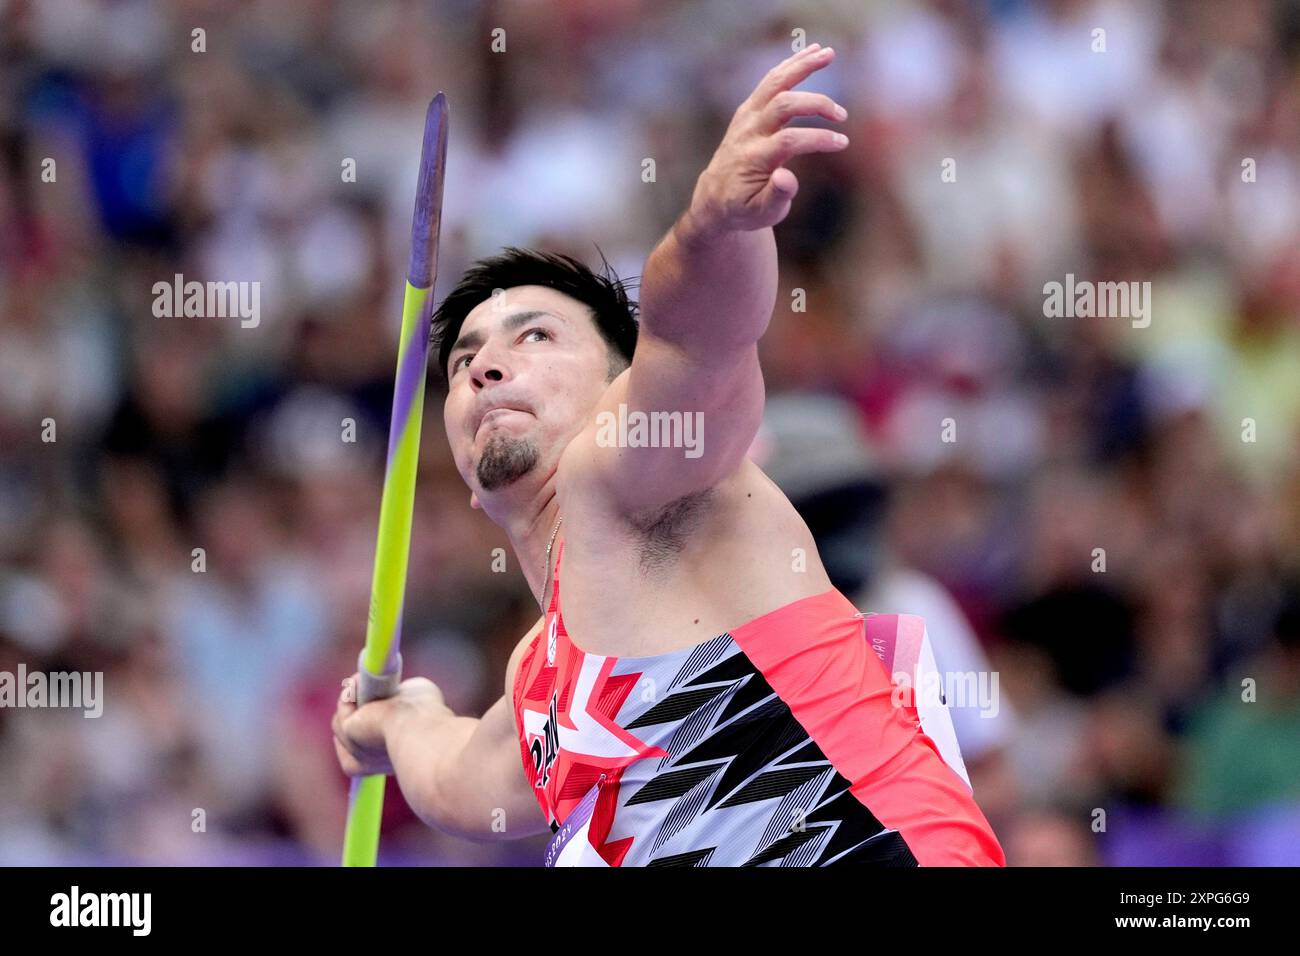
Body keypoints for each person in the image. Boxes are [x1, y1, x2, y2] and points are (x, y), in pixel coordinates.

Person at [333, 44, 1005, 866]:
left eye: (534, 336)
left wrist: (717, 226)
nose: (483, 366)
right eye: (465, 360)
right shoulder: (539, 680)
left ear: (618, 385)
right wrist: (396, 722)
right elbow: (469, 783)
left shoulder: (627, 476)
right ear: (469, 482)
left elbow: (698, 341)